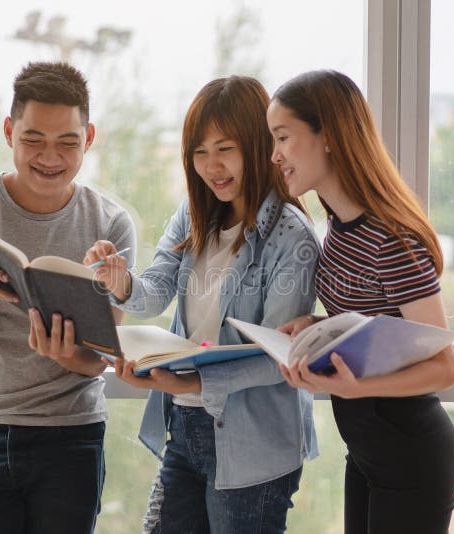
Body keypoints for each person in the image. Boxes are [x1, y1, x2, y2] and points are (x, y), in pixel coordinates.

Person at [89, 75, 320, 534]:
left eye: (224, 148)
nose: (211, 166)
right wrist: (121, 283)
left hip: (253, 445)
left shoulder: (292, 239)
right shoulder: (194, 213)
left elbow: (277, 358)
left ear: (258, 145)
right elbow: (155, 289)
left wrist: (192, 381)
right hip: (186, 428)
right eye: (199, 152)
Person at [0, 61, 136, 534]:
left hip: (74, 436)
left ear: (90, 137)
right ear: (8, 131)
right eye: (33, 139)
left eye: (67, 142)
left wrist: (69, 355)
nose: (49, 157)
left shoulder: (111, 225)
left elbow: (100, 359)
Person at [268, 69, 454, 533]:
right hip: (369, 452)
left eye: (283, 138)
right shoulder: (337, 228)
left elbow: (444, 367)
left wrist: (356, 388)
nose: (275, 156)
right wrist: (315, 324)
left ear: (328, 136)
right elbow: (372, 322)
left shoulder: (390, 240)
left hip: (411, 457)